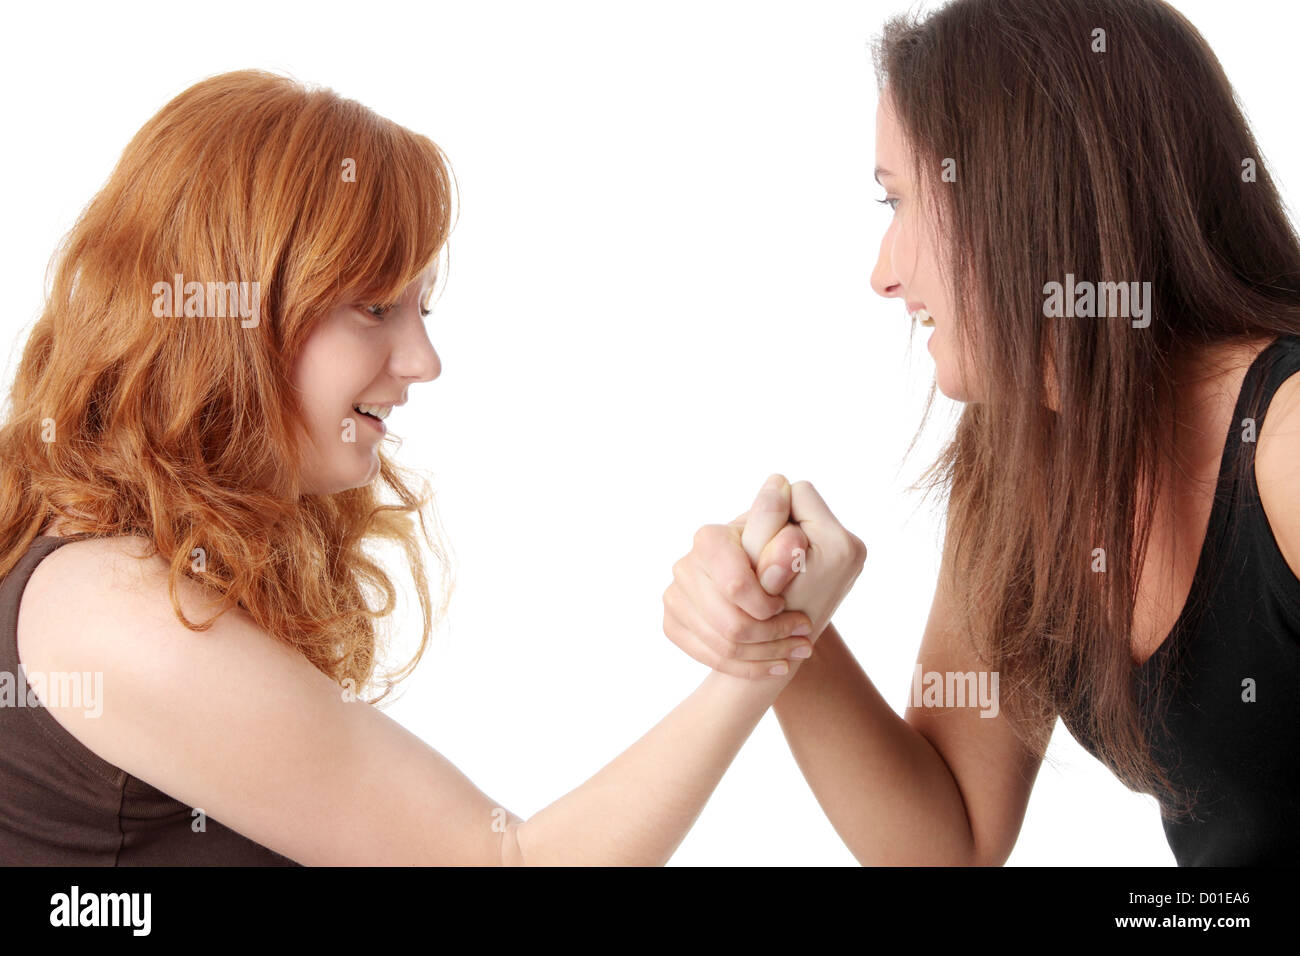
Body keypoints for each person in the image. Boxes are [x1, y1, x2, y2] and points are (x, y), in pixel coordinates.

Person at [0, 69, 856, 866]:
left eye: (422, 306)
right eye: (374, 306)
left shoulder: (99, 563)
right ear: (230, 310)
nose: (423, 359)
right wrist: (768, 653)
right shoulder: (118, 617)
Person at [663, 0, 1300, 865]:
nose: (882, 276)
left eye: (897, 200)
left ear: (1028, 196)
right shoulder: (1020, 471)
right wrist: (783, 631)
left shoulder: (1289, 443)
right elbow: (951, 842)